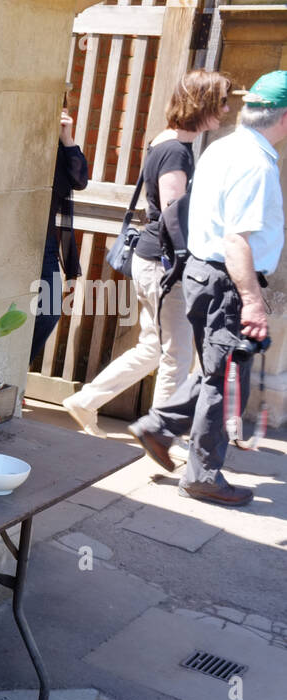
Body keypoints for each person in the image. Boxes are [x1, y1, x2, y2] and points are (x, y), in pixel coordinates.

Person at [128, 71, 287, 507]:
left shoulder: (223, 148)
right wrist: (253, 301)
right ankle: (202, 476)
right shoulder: (254, 163)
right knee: (228, 378)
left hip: (205, 274)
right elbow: (236, 240)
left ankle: (159, 426)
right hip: (226, 281)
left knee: (222, 368)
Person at [63, 70, 233, 435]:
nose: (226, 108)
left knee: (154, 348)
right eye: (220, 101)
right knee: (177, 356)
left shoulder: (164, 141)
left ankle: (86, 400)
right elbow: (173, 210)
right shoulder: (176, 150)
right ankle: (160, 435)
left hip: (153, 261)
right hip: (164, 265)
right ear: (201, 104)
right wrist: (188, 261)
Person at [30, 99, 90, 363]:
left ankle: (19, 371)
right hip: (12, 233)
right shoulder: (27, 137)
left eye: (64, 107)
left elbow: (80, 180)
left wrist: (67, 139)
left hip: (45, 240)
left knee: (50, 308)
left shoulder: (60, 147)